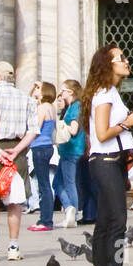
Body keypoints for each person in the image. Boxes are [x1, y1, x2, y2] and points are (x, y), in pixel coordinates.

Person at [80, 45, 133, 266]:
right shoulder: (104, 93)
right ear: (108, 65)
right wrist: (126, 124)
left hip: (110, 161)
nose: (127, 62)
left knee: (105, 221)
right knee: (118, 220)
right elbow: (103, 133)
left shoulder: (109, 92)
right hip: (105, 160)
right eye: (121, 58)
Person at [0, 61, 38, 263]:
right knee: (15, 201)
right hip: (16, 151)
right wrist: (17, 150)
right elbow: (33, 130)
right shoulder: (25, 98)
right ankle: (13, 246)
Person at [26, 82, 57, 232]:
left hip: (39, 147)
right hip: (48, 146)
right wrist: (34, 89)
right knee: (45, 184)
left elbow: (35, 127)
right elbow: (29, 99)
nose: (36, 90)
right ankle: (44, 219)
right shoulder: (51, 107)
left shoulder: (42, 108)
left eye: (39, 88)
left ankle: (46, 221)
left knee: (43, 186)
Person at [53, 79, 84, 228]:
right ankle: (70, 210)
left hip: (71, 150)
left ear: (70, 92)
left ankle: (73, 213)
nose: (61, 93)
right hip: (67, 150)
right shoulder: (72, 107)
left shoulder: (75, 108)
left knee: (69, 182)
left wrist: (60, 125)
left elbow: (73, 130)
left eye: (63, 90)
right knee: (57, 183)